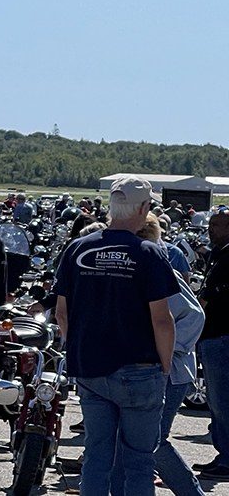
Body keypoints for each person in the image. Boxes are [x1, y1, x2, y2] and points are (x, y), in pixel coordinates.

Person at [54, 176, 178, 496]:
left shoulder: (77, 248)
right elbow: (162, 321)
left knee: (96, 456)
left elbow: (61, 313)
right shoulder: (149, 253)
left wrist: (78, 350)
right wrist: (165, 368)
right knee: (138, 461)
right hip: (140, 369)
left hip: (91, 367)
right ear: (144, 208)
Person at [119, 215, 207, 495]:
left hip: (171, 373)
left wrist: (162, 351)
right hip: (153, 370)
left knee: (153, 441)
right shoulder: (139, 271)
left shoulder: (160, 271)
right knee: (138, 444)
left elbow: (194, 317)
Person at [195, 210, 229, 480]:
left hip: (222, 337)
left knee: (222, 402)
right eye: (210, 224)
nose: (211, 229)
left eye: (217, 225)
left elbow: (212, 296)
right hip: (212, 336)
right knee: (217, 402)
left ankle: (227, 460)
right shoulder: (217, 255)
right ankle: (224, 455)